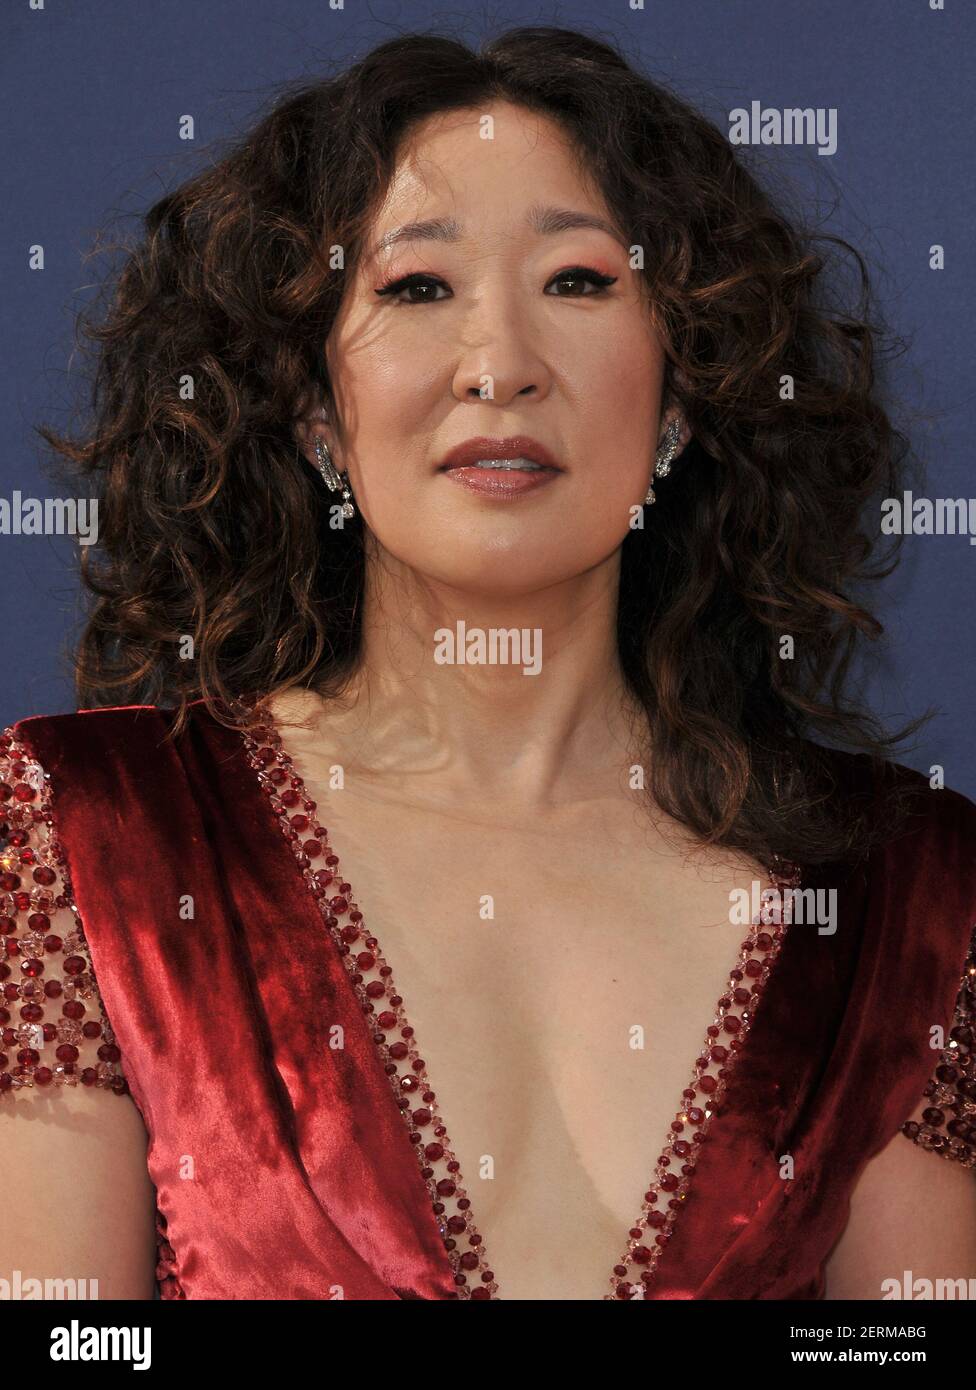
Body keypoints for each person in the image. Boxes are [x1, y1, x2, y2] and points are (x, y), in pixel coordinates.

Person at [2, 27, 973, 1302]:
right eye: (416, 288)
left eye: (576, 280)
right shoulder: (90, 838)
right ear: (310, 407)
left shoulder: (904, 892)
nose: (501, 362)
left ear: (681, 390)